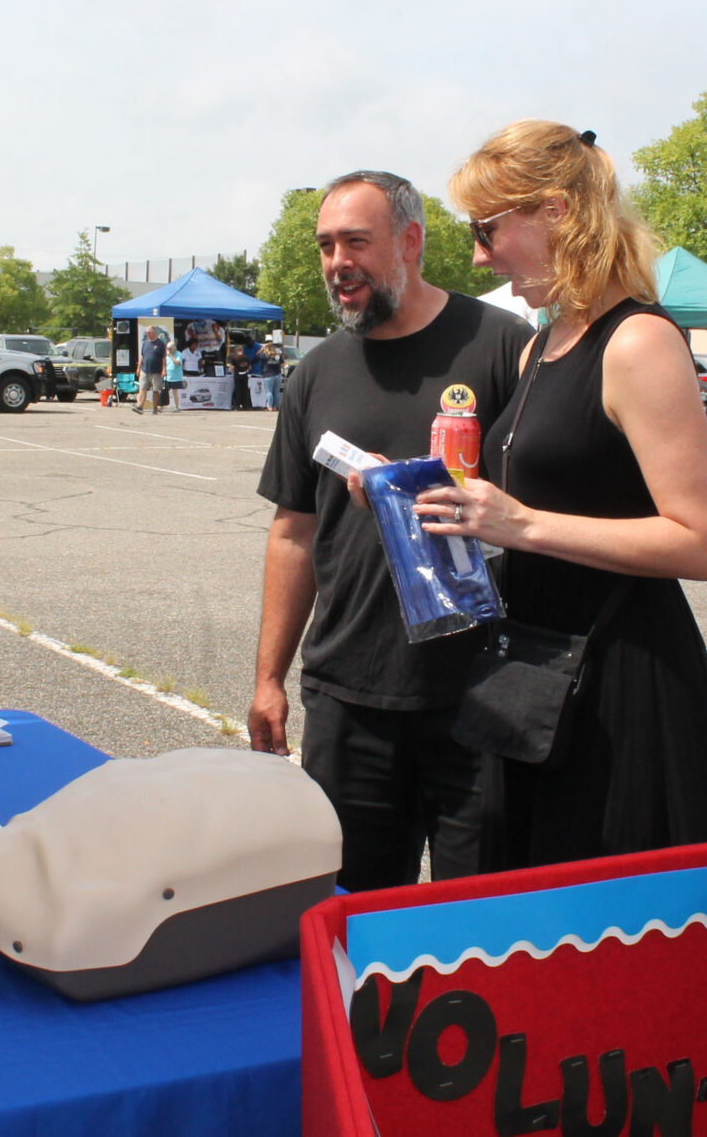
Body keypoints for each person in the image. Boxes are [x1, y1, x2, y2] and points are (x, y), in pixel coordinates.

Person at [425, 121, 707, 870]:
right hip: (539, 683)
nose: (478, 254)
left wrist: (523, 523)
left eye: (487, 228)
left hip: (619, 692)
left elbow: (705, 544)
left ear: (556, 212)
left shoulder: (637, 341)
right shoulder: (548, 339)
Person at [252, 170, 531, 890]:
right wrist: (268, 679)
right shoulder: (315, 374)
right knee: (353, 917)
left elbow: (538, 506)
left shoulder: (500, 344)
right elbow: (292, 532)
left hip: (481, 695)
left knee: (483, 921)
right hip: (352, 698)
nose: (337, 262)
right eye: (325, 246)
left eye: (356, 242)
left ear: (411, 241)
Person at [135, 326, 166, 415]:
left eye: (149, 333)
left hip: (156, 371)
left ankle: (155, 408)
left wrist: (164, 369)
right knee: (142, 388)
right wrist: (138, 368)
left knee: (155, 390)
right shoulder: (145, 343)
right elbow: (142, 356)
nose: (147, 334)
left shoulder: (160, 344)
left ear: (154, 333)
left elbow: (163, 358)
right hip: (145, 370)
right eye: (146, 333)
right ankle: (140, 406)